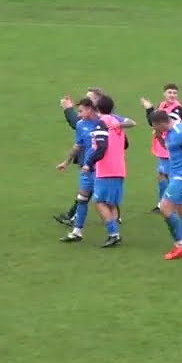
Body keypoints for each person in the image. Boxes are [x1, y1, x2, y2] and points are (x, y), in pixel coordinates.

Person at [151, 109, 182, 260]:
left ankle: (180, 244)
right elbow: (171, 149)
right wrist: (159, 138)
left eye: (155, 126)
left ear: (161, 123)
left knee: (165, 209)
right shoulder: (169, 133)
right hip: (177, 176)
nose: (154, 129)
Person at [86, 95, 134, 248]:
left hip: (106, 168)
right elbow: (125, 144)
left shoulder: (101, 123)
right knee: (111, 203)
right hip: (119, 167)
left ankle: (113, 234)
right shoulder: (117, 122)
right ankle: (115, 235)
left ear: (98, 109)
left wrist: (89, 162)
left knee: (98, 202)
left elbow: (101, 147)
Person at [57, 97, 101, 243]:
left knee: (103, 202)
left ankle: (114, 233)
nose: (79, 114)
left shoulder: (104, 122)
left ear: (90, 109)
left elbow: (129, 124)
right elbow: (78, 146)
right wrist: (66, 162)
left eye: (81, 111)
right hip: (86, 169)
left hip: (101, 169)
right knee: (82, 199)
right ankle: (77, 232)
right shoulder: (81, 125)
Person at [140, 84, 182, 213]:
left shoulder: (177, 109)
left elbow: (163, 123)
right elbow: (153, 122)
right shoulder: (162, 105)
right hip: (162, 146)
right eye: (169, 92)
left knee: (172, 176)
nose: (172, 95)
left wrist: (150, 109)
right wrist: (150, 111)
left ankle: (175, 204)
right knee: (161, 175)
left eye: (174, 93)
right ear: (164, 94)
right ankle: (162, 204)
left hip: (172, 145)